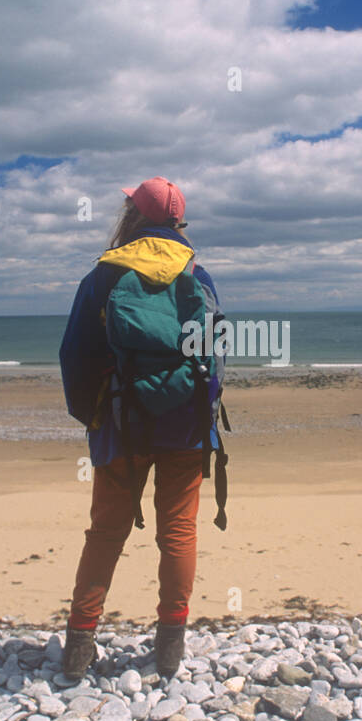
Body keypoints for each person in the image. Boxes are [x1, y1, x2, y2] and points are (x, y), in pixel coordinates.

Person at [58, 177, 224, 680]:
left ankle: (79, 647)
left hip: (120, 425)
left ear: (133, 216)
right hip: (186, 427)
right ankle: (169, 647)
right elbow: (213, 361)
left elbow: (73, 355)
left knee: (104, 533)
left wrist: (92, 416)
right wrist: (202, 411)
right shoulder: (198, 274)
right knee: (178, 532)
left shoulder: (104, 276)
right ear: (178, 222)